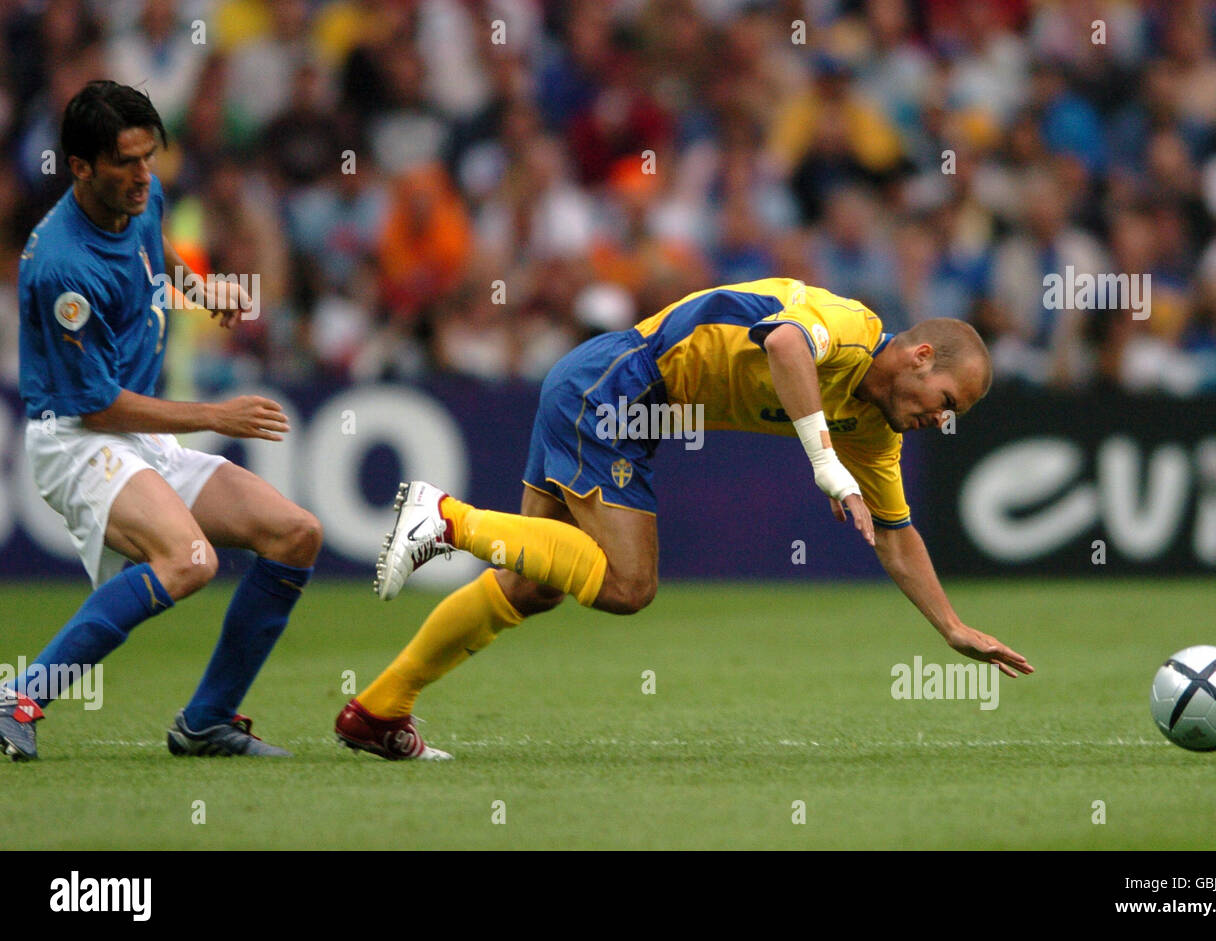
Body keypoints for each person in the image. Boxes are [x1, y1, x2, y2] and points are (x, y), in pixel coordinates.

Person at [335, 277, 1033, 760]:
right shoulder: (849, 332)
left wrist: (952, 626)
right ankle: (445, 518)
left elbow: (895, 533)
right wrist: (823, 462)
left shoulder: (877, 432)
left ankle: (378, 709)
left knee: (532, 585)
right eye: (948, 400)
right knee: (629, 584)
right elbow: (785, 344)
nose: (943, 419)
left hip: (617, 396)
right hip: (619, 383)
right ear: (918, 357)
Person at [0, 81, 321, 761]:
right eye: (127, 161)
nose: (146, 175)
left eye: (151, 157)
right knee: (190, 558)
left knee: (296, 534)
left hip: (141, 437)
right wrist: (214, 415)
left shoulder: (140, 197)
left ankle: (206, 721)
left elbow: (159, 248)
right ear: (82, 167)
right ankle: (19, 696)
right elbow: (96, 404)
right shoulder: (62, 265)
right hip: (79, 440)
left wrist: (202, 287)